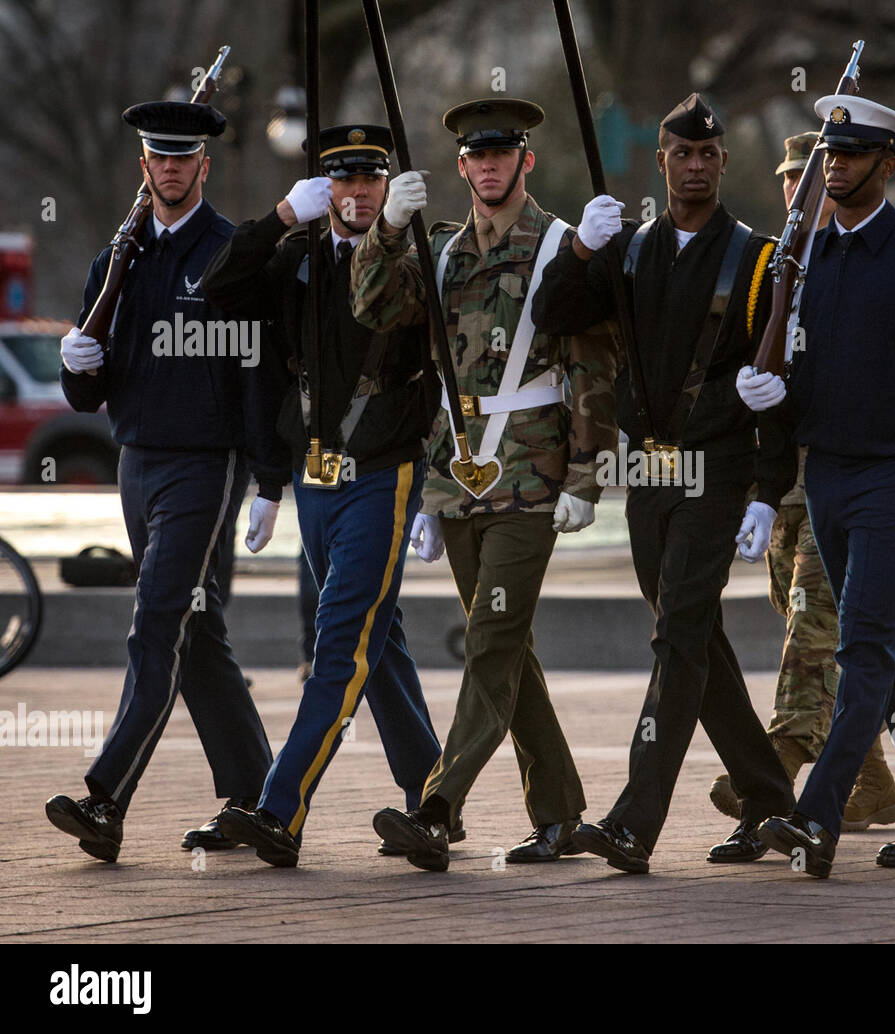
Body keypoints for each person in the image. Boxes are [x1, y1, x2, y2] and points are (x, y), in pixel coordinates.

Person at [531, 93, 796, 874]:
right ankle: (772, 802)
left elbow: (778, 383)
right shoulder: (631, 249)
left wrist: (766, 490)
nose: (695, 165)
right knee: (695, 642)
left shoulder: (755, 256)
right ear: (661, 162)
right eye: (681, 153)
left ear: (722, 162)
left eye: (707, 154)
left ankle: (632, 822)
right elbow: (551, 311)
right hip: (647, 473)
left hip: (716, 470)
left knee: (676, 637)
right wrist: (581, 245)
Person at [350, 99, 617, 872]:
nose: (490, 166)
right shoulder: (438, 252)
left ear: (525, 162)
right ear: (461, 168)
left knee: (489, 639)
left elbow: (594, 367)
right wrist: (386, 231)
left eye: (504, 154)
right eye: (476, 156)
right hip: (459, 477)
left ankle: (437, 808)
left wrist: (587, 473)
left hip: (533, 476)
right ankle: (562, 813)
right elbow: (373, 309)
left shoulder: (565, 246)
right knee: (509, 652)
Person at [739, 93, 895, 877]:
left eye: (851, 156)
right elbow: (795, 379)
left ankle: (815, 816)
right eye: (828, 155)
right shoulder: (804, 264)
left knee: (863, 648)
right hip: (828, 476)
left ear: (887, 164)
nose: (835, 166)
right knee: (889, 646)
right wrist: (765, 443)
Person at [202, 123, 445, 867]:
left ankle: (280, 808)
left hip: (383, 470)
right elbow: (218, 292)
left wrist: (432, 493)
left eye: (372, 179)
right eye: (344, 180)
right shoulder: (299, 258)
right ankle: (438, 798)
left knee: (338, 643)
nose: (360, 192)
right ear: (326, 190)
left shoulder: (416, 259)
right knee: (380, 640)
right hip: (316, 475)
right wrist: (278, 218)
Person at [46, 100, 279, 862]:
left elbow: (255, 379)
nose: (171, 170)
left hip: (205, 468)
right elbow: (89, 389)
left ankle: (107, 797)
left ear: (204, 167)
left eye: (184, 159)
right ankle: (260, 797)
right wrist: (75, 363)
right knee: (196, 630)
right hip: (135, 462)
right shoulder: (120, 257)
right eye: (159, 158)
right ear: (143, 167)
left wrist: (267, 480)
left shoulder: (228, 251)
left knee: (155, 623)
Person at [708, 131, 895, 832]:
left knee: (813, 634)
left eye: (815, 178)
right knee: (820, 632)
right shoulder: (770, 266)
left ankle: (777, 763)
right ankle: (874, 787)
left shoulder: (862, 263)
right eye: (792, 180)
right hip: (781, 488)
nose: (802, 190)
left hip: (843, 480)